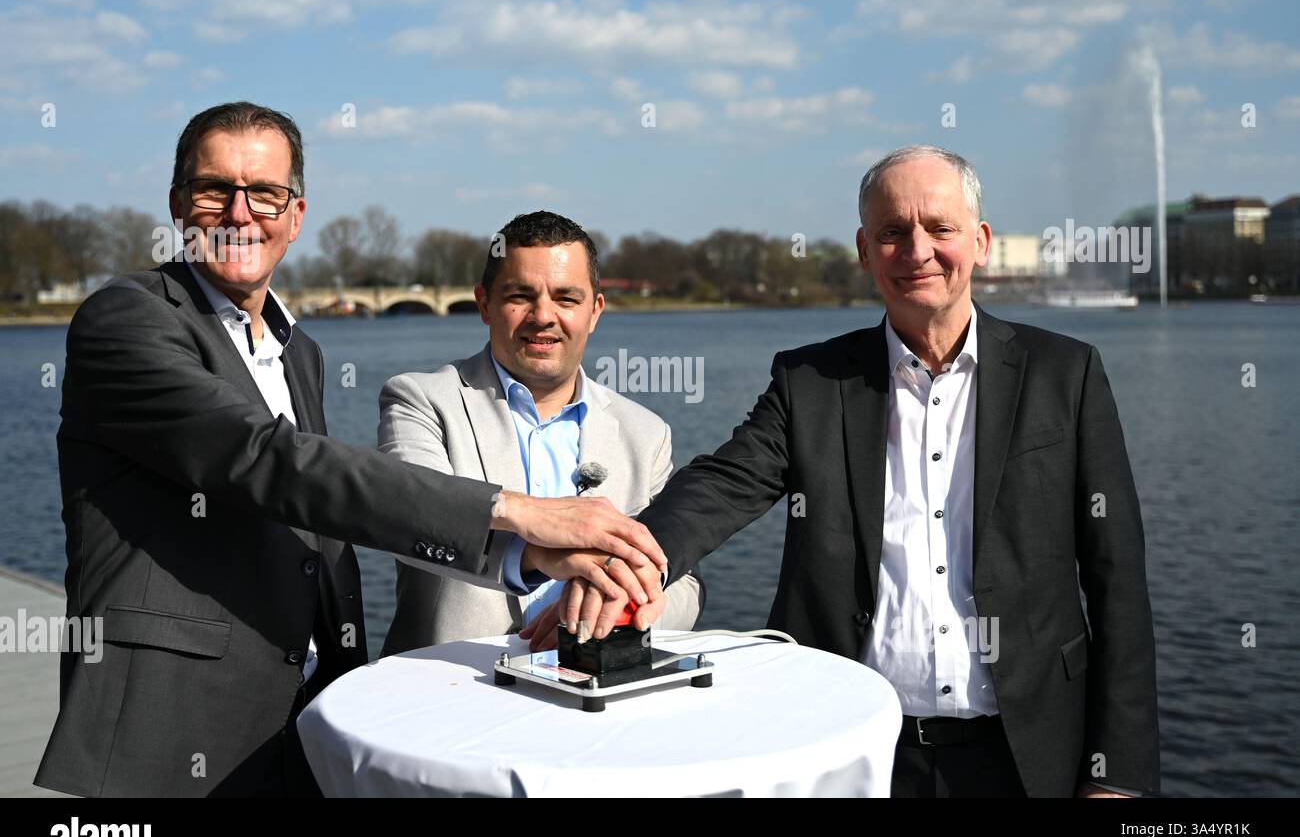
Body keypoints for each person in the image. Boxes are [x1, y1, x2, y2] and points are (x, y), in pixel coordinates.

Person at [35, 103, 665, 798]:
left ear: (295, 214)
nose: (240, 212)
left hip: (305, 724)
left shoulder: (299, 352)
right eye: (216, 188)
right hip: (172, 730)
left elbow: (318, 518)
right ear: (179, 204)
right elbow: (268, 462)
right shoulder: (125, 319)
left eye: (265, 192)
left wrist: (524, 556)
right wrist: (520, 512)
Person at [527, 145, 1160, 798]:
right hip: (854, 749)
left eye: (938, 228)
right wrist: (628, 563)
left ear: (981, 242)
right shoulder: (812, 381)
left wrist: (1118, 775)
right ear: (864, 251)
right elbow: (720, 485)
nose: (916, 249)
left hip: (1028, 754)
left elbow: (1118, 584)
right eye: (892, 233)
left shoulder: (1066, 373)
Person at [379, 211, 702, 654]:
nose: (543, 316)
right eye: (520, 295)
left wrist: (625, 604)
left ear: (595, 312)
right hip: (453, 697)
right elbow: (407, 520)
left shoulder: (646, 433)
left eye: (567, 298)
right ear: (484, 304)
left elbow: (685, 583)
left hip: (596, 697)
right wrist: (531, 554)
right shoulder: (421, 399)